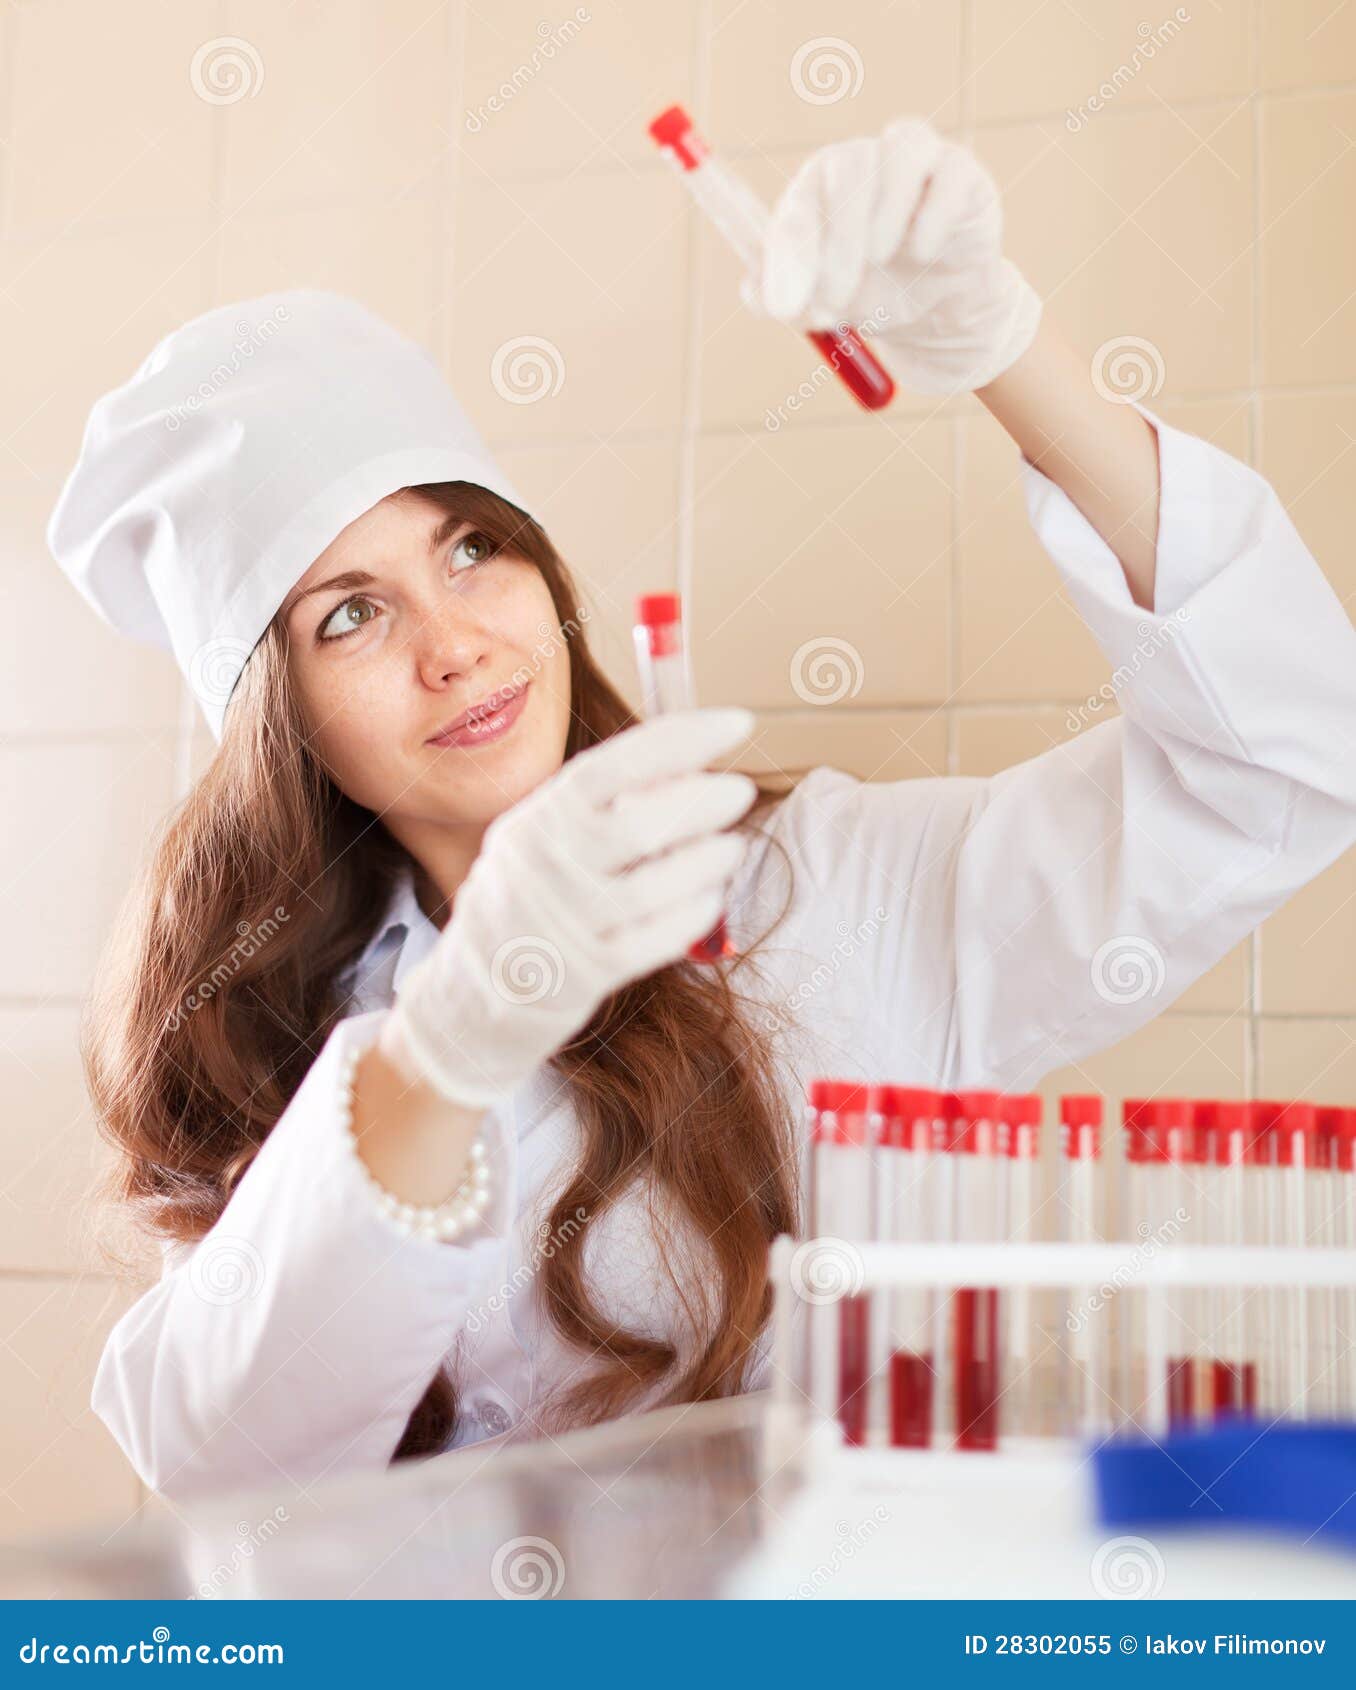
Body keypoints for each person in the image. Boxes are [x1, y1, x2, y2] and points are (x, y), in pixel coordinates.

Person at [49, 118, 1356, 1505]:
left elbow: (1287, 758)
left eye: (473, 548)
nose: (458, 643)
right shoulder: (272, 1039)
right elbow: (223, 1459)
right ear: (280, 715)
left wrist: (1008, 352)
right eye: (353, 614)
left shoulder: (822, 891)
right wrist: (454, 1040)